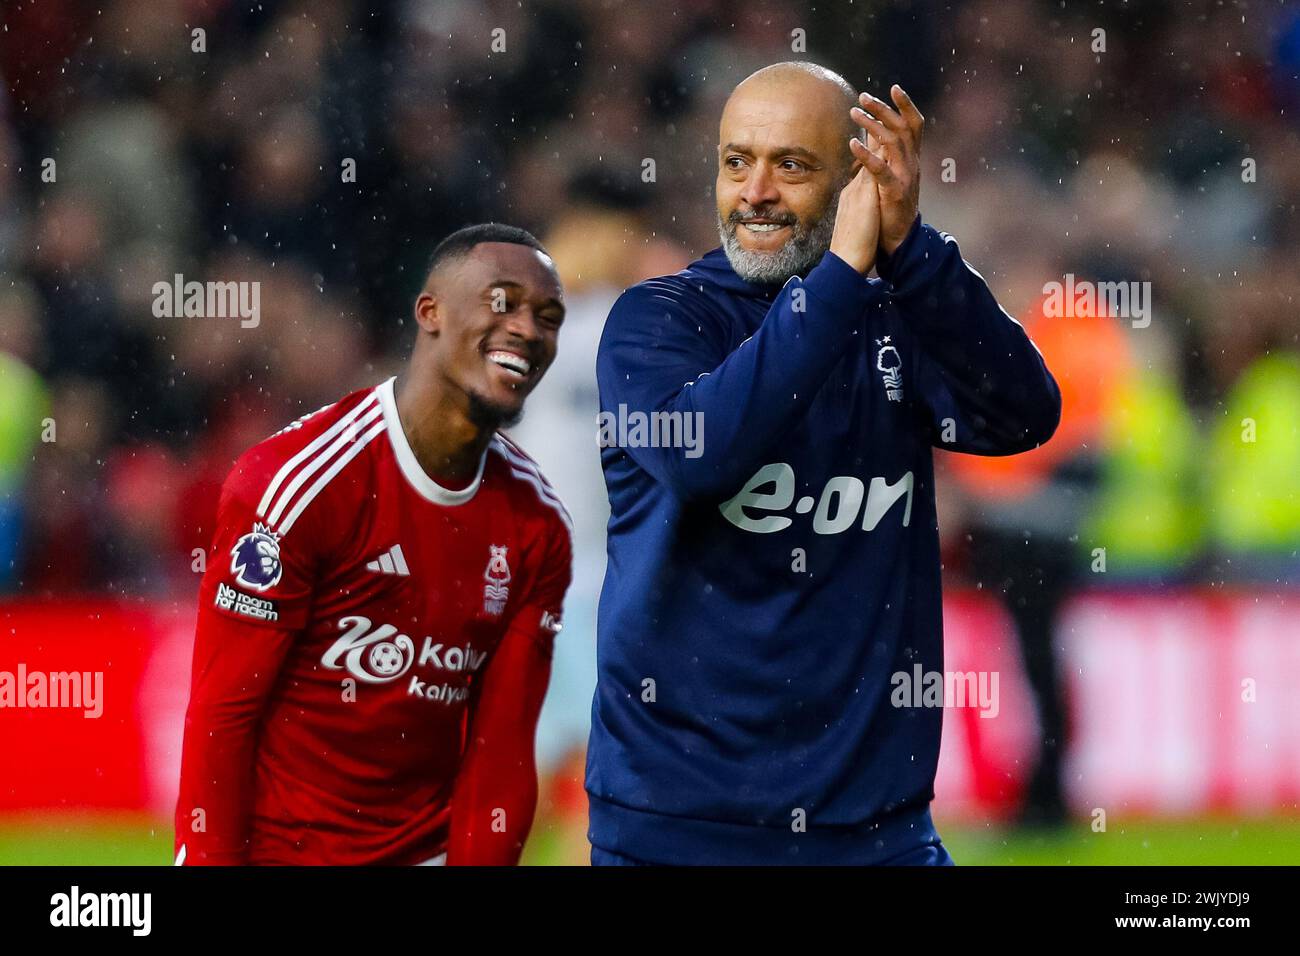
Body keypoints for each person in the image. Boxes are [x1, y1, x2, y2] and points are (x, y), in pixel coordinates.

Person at [586, 62, 1061, 865]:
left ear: (856, 186)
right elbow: (704, 456)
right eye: (737, 162)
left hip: (877, 832)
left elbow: (1021, 413)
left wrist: (911, 248)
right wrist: (842, 278)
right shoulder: (657, 322)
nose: (756, 191)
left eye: (791, 165)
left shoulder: (894, 319)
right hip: (681, 831)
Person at [174, 223, 572, 865]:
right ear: (430, 312)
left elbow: (498, 752)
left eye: (547, 316)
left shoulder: (538, 526)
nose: (527, 328)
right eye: (502, 302)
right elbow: (222, 716)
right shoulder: (296, 486)